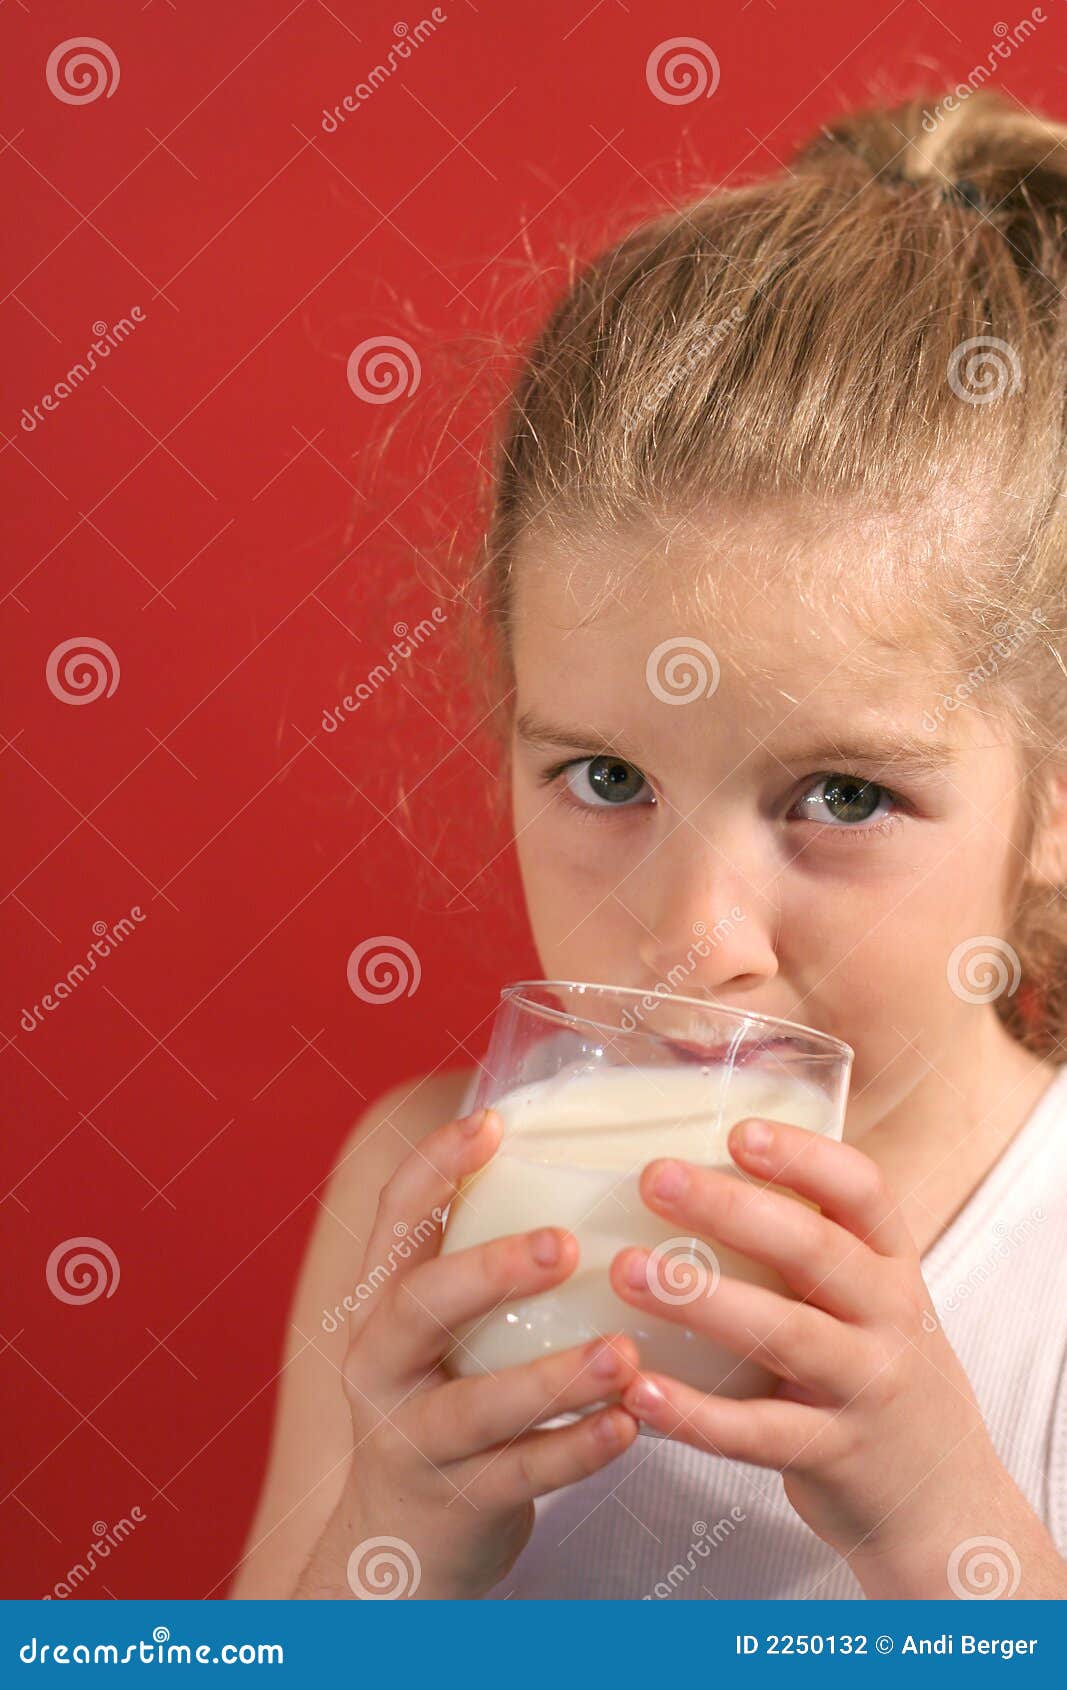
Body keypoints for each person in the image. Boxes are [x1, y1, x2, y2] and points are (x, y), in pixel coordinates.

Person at [231, 87, 1067, 1600]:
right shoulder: (424, 1189)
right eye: (609, 774)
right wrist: (398, 1534)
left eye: (845, 798)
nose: (693, 933)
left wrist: (946, 1523)